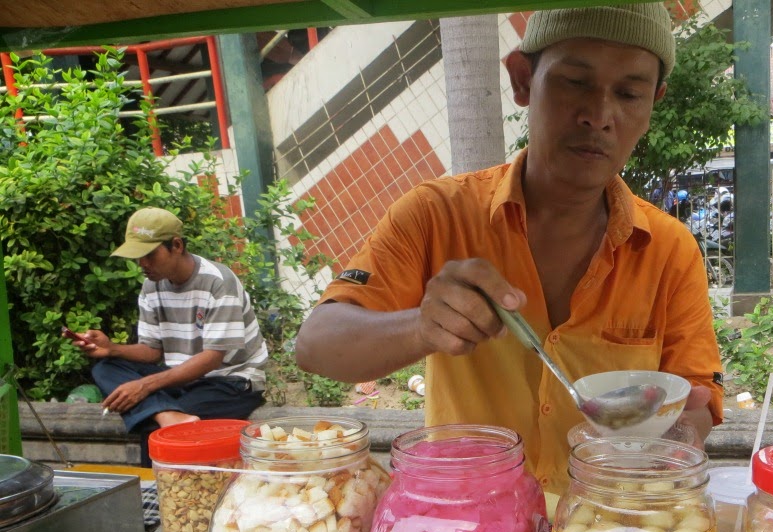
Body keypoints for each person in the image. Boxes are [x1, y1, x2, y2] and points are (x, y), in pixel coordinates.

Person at [295, 4, 724, 494]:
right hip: (472, 528)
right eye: (574, 82)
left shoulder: (669, 249)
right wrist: (421, 326)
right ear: (523, 79)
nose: (600, 116)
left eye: (628, 93)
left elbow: (696, 400)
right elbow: (316, 345)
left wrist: (665, 436)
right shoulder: (436, 214)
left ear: (653, 105)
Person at [71, 207, 268, 465]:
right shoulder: (151, 284)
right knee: (106, 367)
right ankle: (165, 413)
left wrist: (145, 386)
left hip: (230, 382)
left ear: (176, 245)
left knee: (156, 430)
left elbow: (212, 359)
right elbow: (152, 350)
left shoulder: (218, 281)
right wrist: (112, 349)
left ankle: (153, 491)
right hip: (181, 381)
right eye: (138, 257)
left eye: (149, 255)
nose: (142, 264)